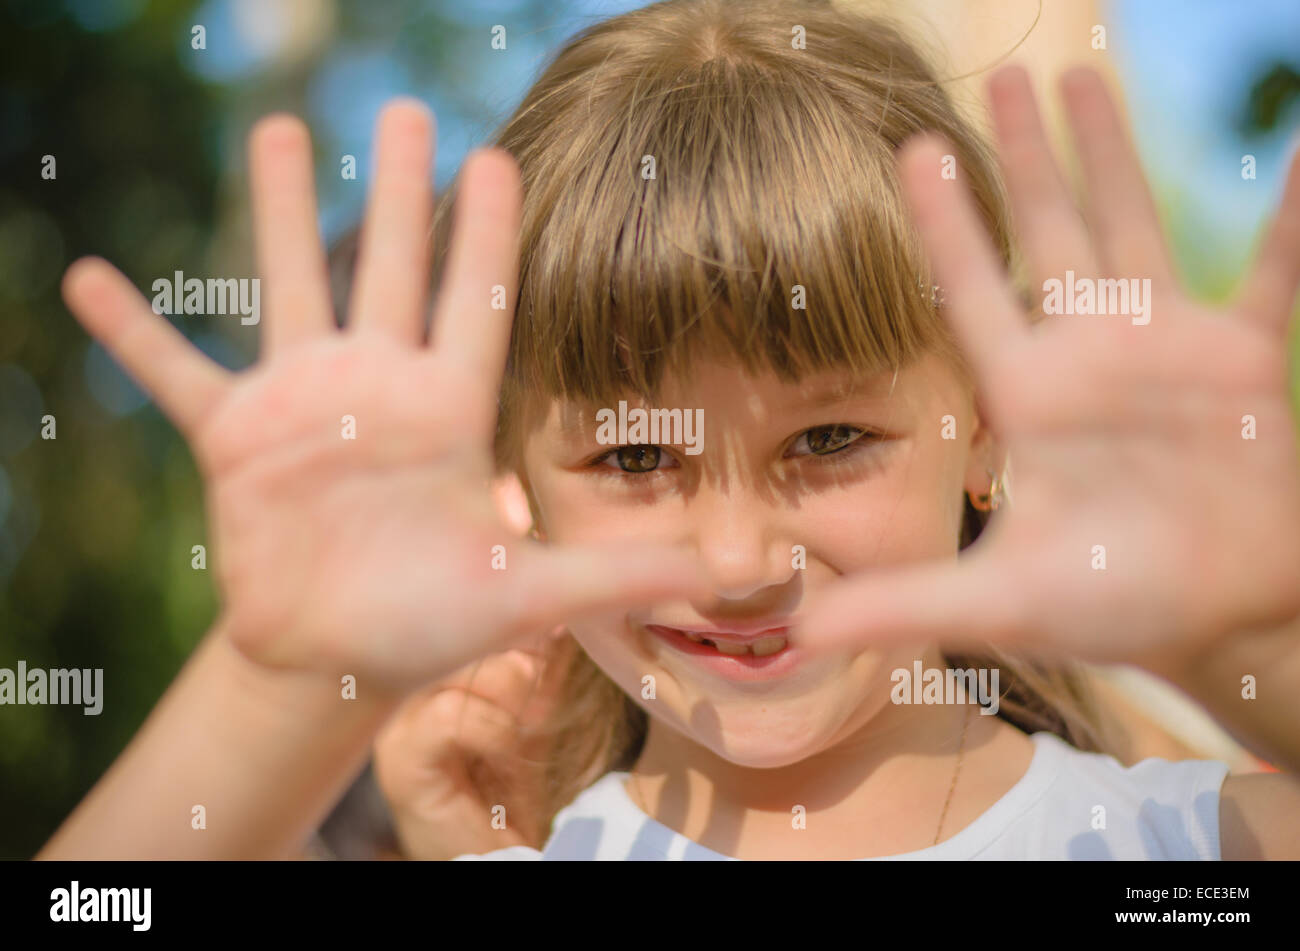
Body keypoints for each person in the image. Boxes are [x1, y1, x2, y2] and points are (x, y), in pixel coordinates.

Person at [41, 0, 1300, 860]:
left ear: (984, 428)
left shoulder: (1176, 857)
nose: (739, 558)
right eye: (637, 455)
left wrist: (1258, 644)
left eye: (828, 441)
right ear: (511, 476)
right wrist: (284, 688)